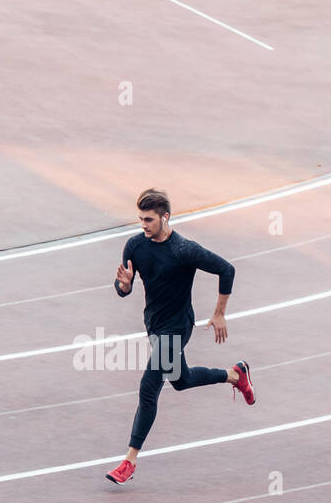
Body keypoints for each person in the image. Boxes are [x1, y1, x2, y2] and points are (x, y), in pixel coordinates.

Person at [106, 188, 255, 485]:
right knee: (181, 380)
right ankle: (235, 375)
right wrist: (123, 286)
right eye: (140, 219)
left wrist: (220, 313)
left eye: (149, 219)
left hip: (177, 326)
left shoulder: (184, 250)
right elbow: (125, 287)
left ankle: (129, 461)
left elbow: (227, 269)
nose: (143, 225)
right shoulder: (135, 246)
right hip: (154, 324)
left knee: (149, 387)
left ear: (165, 217)